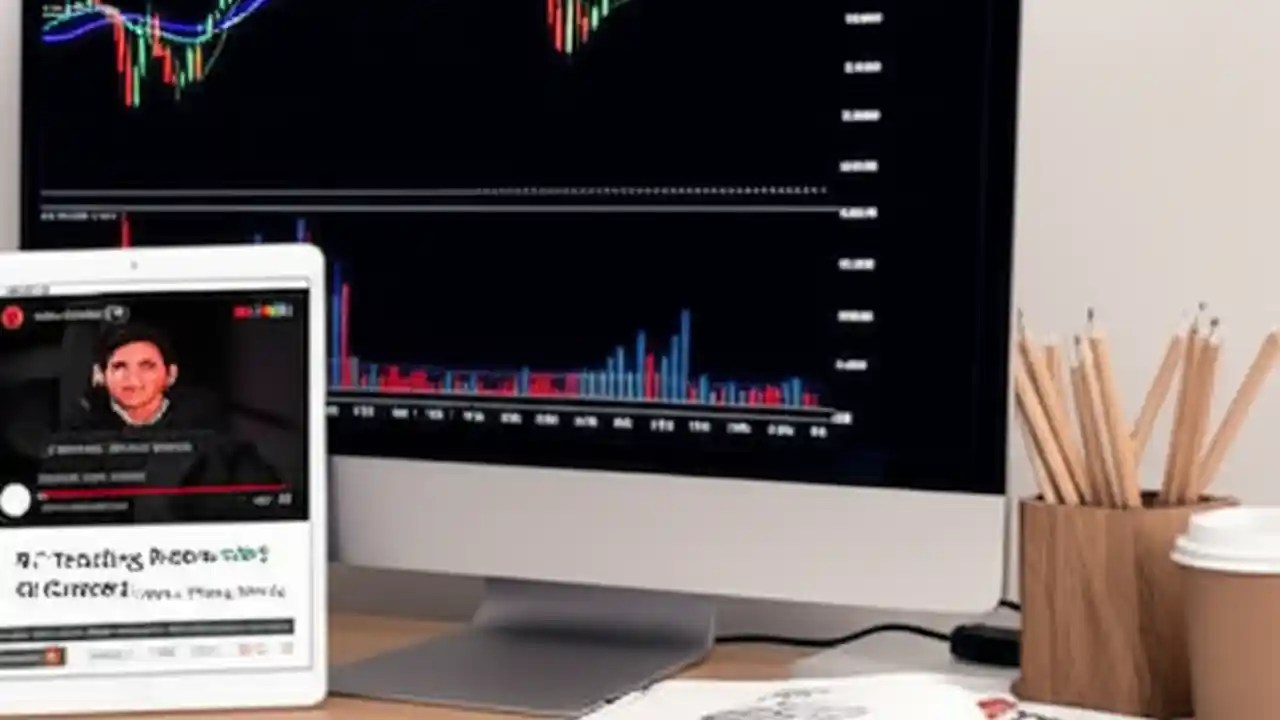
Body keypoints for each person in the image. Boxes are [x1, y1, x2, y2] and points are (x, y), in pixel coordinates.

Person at [57, 322, 283, 521]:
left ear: (170, 375)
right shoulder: (79, 438)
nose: (133, 379)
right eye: (120, 367)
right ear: (100, 375)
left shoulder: (209, 431)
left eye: (147, 367)